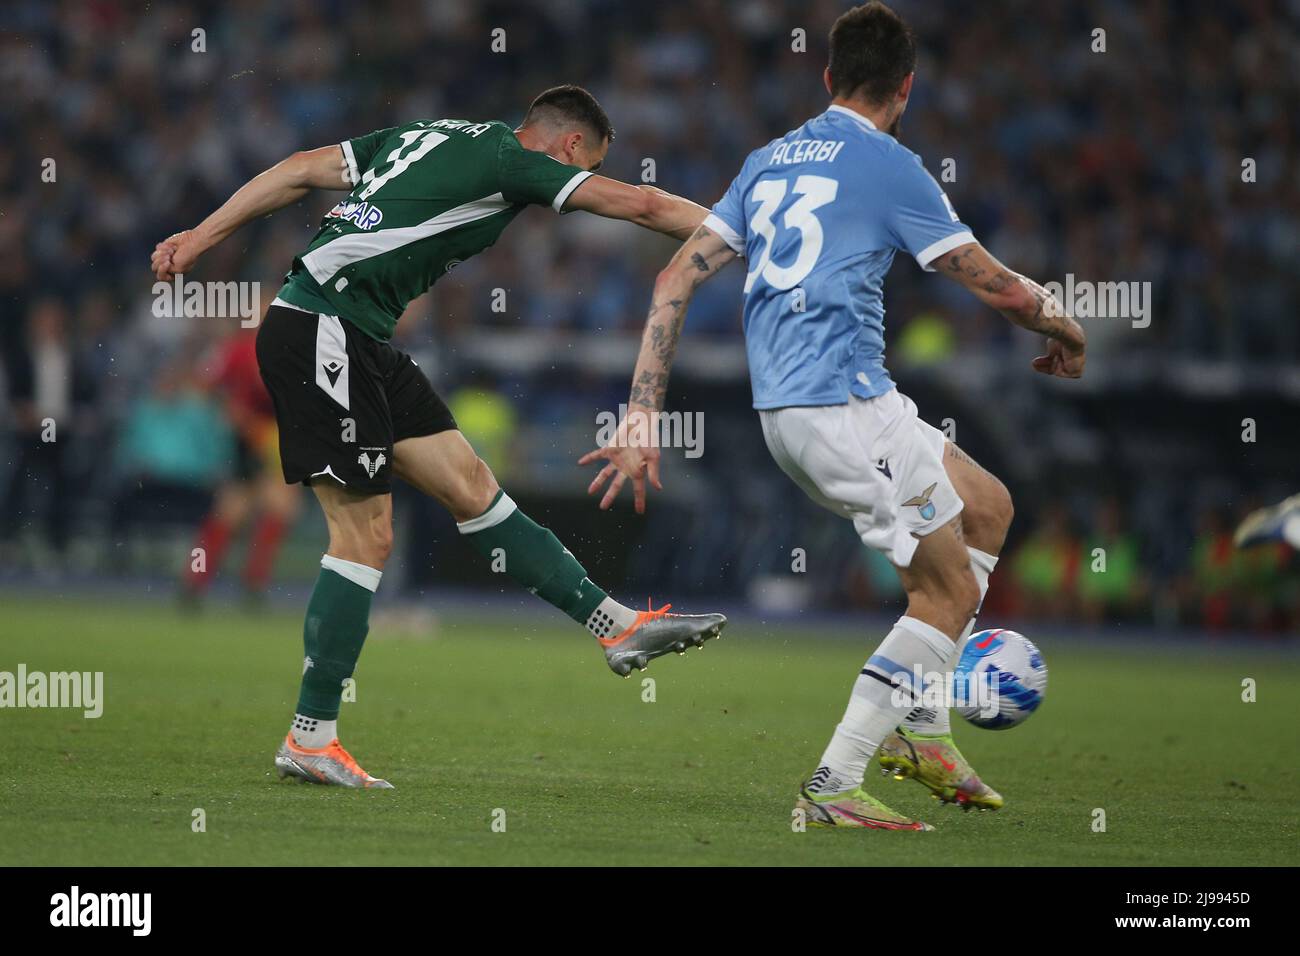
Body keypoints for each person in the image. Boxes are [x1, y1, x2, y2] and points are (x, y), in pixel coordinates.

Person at [583, 3, 1086, 830]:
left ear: (826, 77)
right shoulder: (891, 165)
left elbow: (673, 278)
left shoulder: (767, 160)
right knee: (948, 589)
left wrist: (642, 414)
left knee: (989, 505)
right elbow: (990, 282)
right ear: (907, 88)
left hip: (834, 406)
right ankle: (834, 785)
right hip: (839, 413)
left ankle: (922, 730)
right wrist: (1062, 321)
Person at [151, 85, 726, 789]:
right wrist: (751, 228)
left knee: (471, 485)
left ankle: (615, 626)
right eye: (591, 161)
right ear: (571, 147)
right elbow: (643, 204)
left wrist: (199, 237)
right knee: (365, 536)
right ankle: (311, 737)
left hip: (359, 336)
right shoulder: (517, 163)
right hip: (322, 327)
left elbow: (300, 167)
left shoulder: (430, 134)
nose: (580, 176)